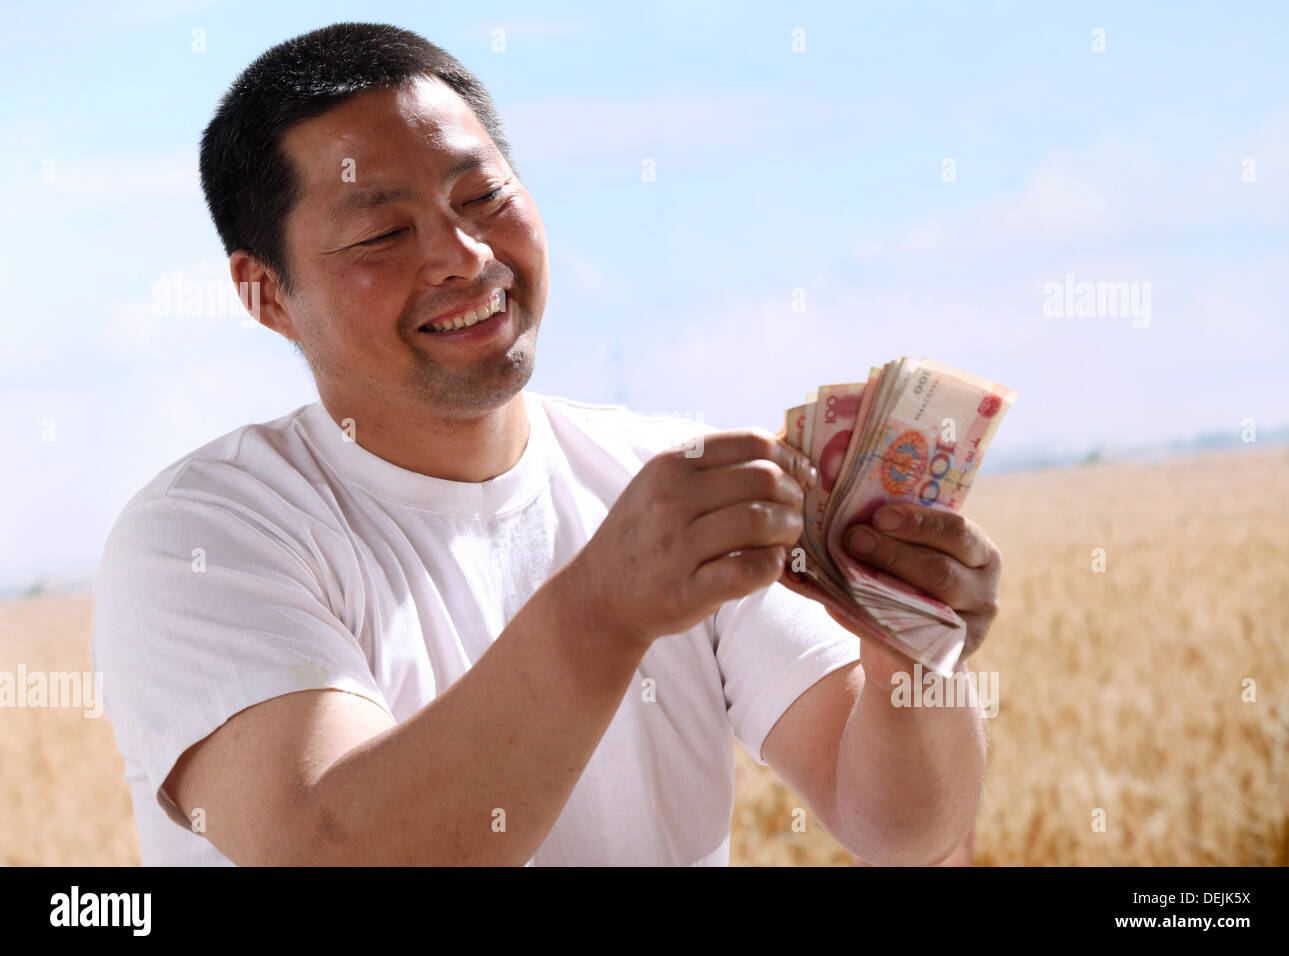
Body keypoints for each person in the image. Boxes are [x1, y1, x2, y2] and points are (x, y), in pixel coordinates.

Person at [92, 22, 999, 866]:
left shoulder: (670, 480)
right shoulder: (202, 538)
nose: (462, 254)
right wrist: (603, 608)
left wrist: (910, 660)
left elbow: (904, 831)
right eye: (382, 232)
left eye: (482, 196)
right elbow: (330, 844)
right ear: (267, 295)